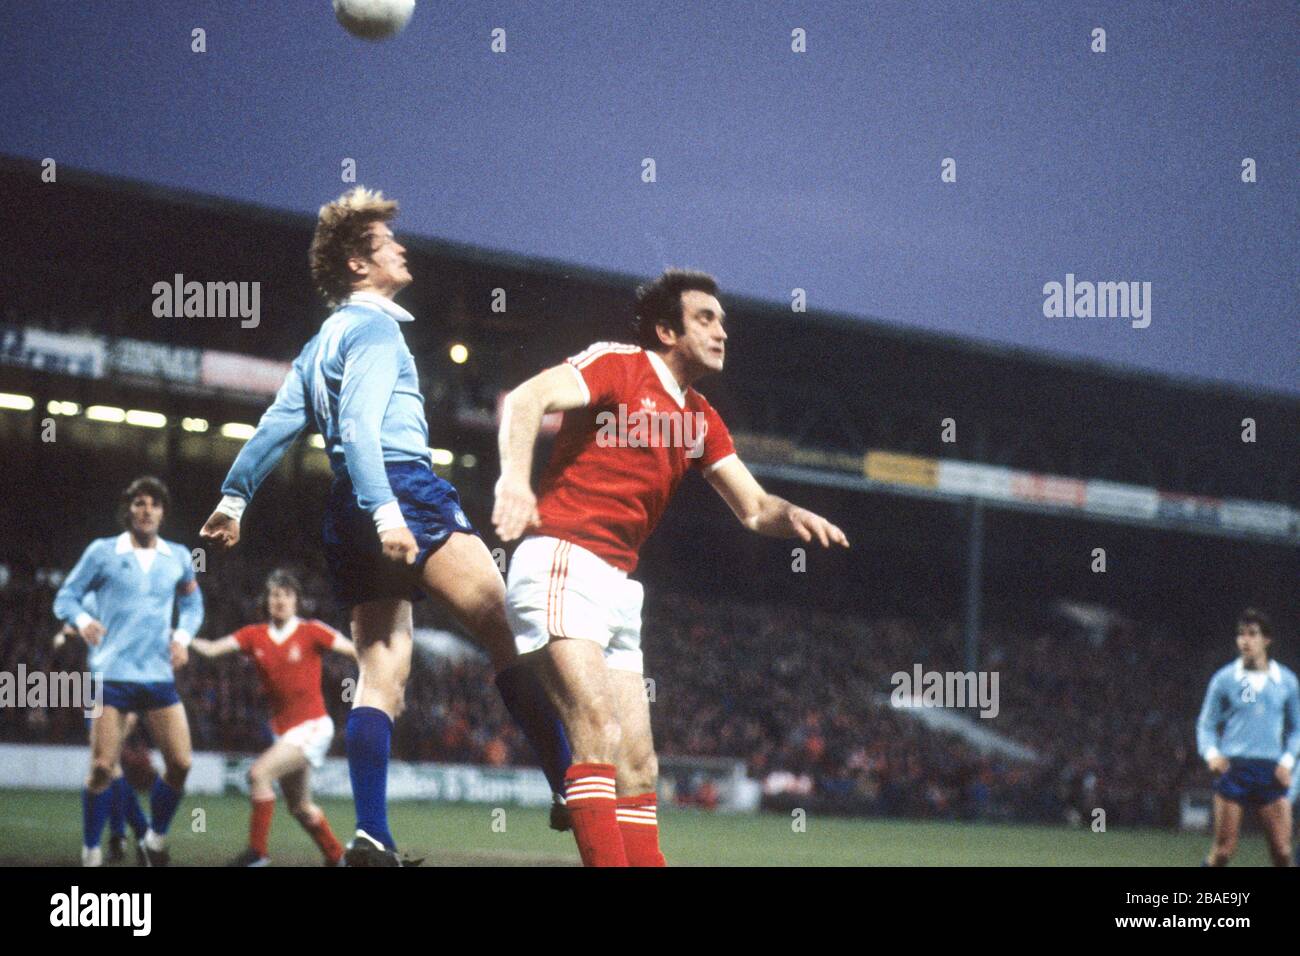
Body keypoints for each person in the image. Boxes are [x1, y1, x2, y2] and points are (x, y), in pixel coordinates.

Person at [200, 186, 570, 866]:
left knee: (380, 672)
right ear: (355, 266)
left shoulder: (318, 346)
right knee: (504, 626)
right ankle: (568, 780)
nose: (402, 247)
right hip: (399, 489)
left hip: (346, 506)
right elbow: (365, 431)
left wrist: (233, 499)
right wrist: (392, 512)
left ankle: (372, 836)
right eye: (386, 242)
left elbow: (277, 425)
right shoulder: (377, 331)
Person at [494, 269, 849, 866]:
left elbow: (755, 508)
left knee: (639, 766)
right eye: (705, 319)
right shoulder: (619, 364)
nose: (721, 332)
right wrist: (513, 480)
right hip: (562, 557)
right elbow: (528, 399)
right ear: (667, 329)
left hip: (616, 586)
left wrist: (792, 514)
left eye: (724, 321)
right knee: (596, 731)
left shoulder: (700, 417)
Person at [53, 476, 204, 866]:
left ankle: (154, 840)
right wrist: (83, 619)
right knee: (103, 768)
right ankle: (90, 851)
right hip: (111, 677)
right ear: (128, 510)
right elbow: (66, 596)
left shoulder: (180, 557)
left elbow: (192, 606)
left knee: (182, 764)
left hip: (157, 677)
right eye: (139, 503)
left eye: (153, 503)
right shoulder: (102, 552)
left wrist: (184, 638)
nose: (146, 509)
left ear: (163, 513)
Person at [192, 570, 355, 866]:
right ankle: (337, 858)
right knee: (301, 807)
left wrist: (384, 678)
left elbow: (354, 651)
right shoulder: (254, 635)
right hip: (285, 731)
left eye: (286, 595)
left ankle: (258, 854)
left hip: (313, 726)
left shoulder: (312, 631)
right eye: (274, 595)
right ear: (266, 601)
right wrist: (181, 638)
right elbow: (213, 650)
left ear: (297, 601)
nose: (280, 600)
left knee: (258, 774)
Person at [1196, 608, 1299, 867]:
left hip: (1270, 770)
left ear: (1267, 640)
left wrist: (1287, 761)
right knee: (1223, 852)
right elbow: (1206, 725)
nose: (1245, 640)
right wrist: (1212, 754)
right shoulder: (1224, 679)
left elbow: (1297, 729)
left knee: (1283, 852)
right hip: (1234, 769)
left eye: (1252, 634)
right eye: (1241, 634)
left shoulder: (1286, 681)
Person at [52, 617, 150, 864]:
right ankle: (131, 836)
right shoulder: (96, 611)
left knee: (106, 766)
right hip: (97, 695)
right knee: (108, 767)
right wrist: (64, 636)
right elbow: (68, 631)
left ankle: (129, 836)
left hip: (123, 695)